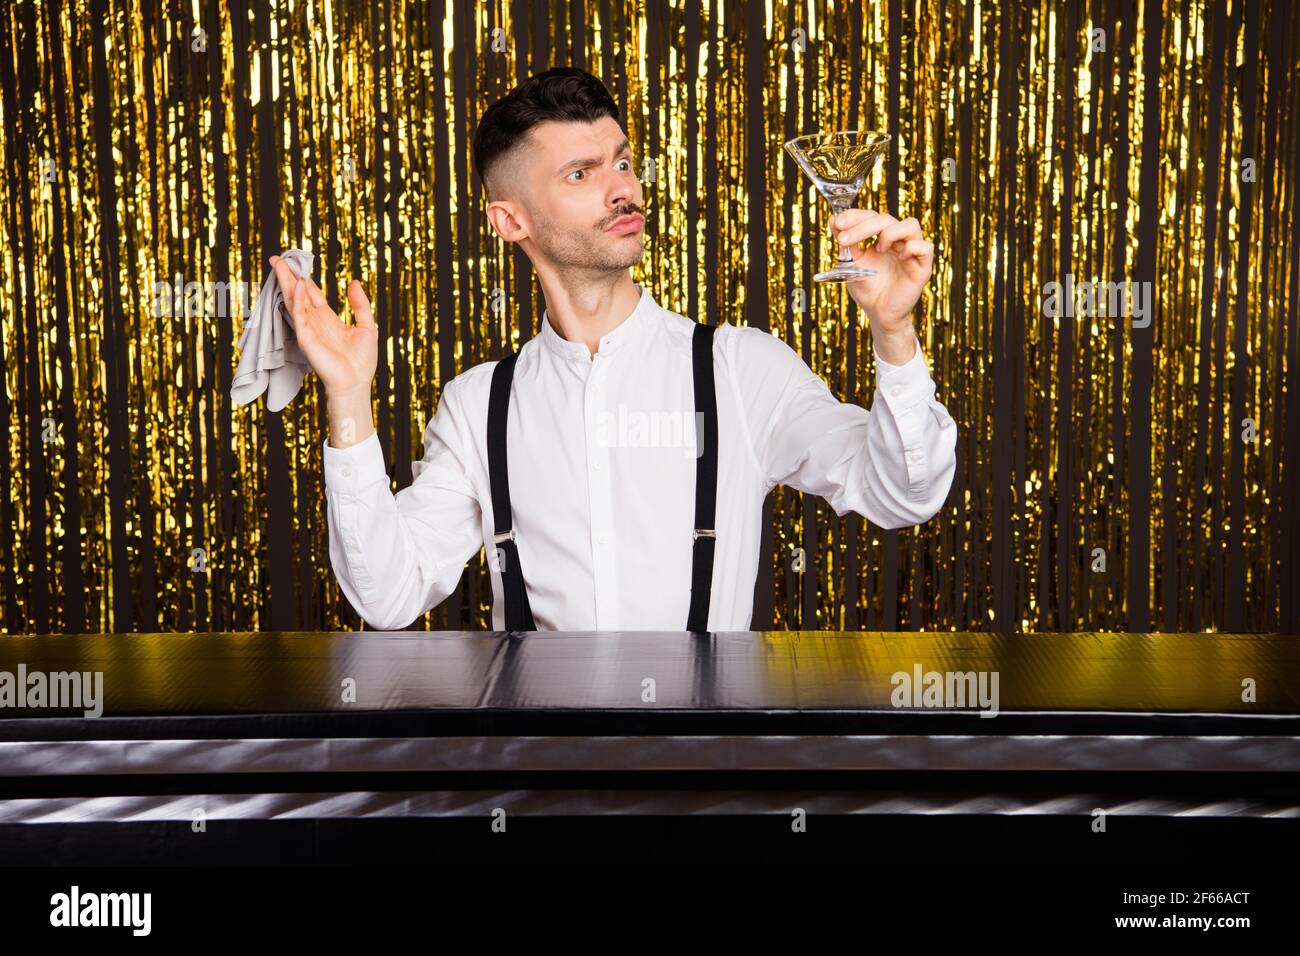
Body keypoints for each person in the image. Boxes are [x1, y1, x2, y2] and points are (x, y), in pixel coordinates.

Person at [271, 66, 957, 632]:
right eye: (581, 173)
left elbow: (904, 493)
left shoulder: (740, 370)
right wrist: (348, 395)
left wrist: (894, 332)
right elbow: (388, 595)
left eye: (623, 162)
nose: (622, 187)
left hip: (706, 780)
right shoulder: (479, 403)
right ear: (511, 219)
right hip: (541, 783)